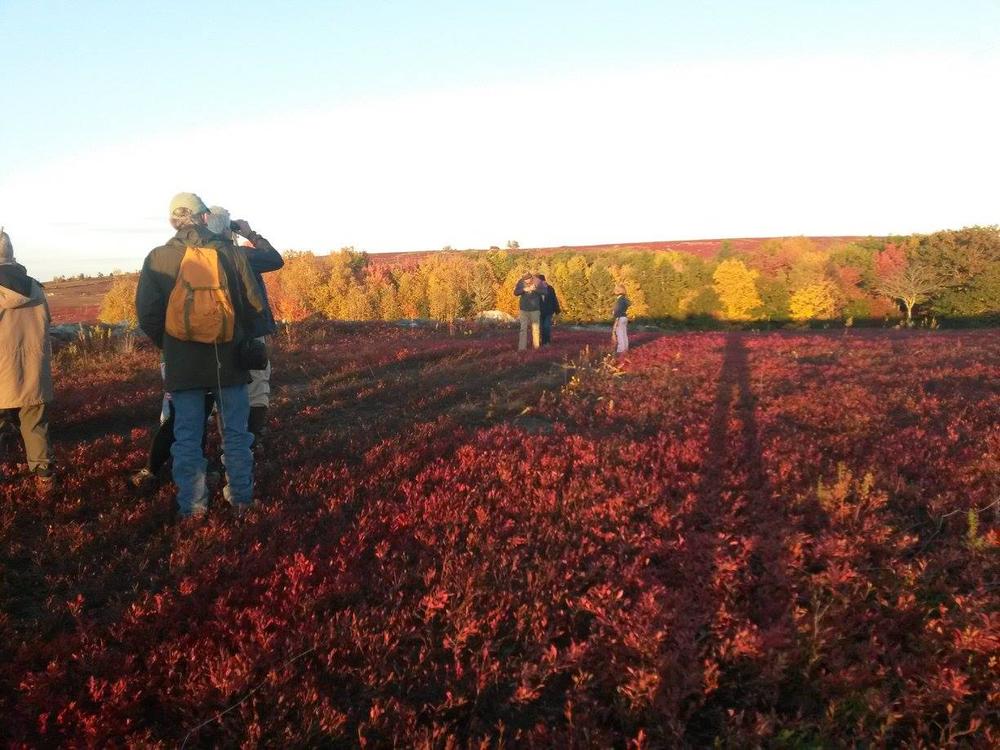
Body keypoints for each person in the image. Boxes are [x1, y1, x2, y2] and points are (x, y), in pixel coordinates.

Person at [135, 193, 264, 519]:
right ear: (204, 217)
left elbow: (147, 314)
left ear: (173, 221)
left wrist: (171, 343)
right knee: (236, 434)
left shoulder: (158, 258)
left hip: (183, 364)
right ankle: (242, 501)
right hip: (230, 361)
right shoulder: (231, 253)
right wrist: (238, 337)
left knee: (187, 437)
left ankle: (192, 509)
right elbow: (254, 306)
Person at [206, 206, 283, 447]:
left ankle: (229, 443)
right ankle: (252, 439)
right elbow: (274, 259)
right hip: (250, 332)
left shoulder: (197, 257)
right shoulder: (241, 255)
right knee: (257, 386)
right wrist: (250, 234)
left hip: (215, 333)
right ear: (227, 228)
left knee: (223, 388)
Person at [0, 228, 55, 495]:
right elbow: (46, 323)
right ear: (11, 254)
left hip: (2, 374)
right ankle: (45, 481)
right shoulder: (36, 288)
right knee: (35, 427)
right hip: (34, 370)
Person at [513, 272, 543, 350]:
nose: (526, 281)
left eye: (527, 279)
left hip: (535, 309)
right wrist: (523, 290)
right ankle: (522, 348)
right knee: (523, 329)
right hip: (524, 309)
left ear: (531, 277)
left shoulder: (537, 281)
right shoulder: (521, 282)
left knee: (536, 329)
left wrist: (535, 289)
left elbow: (544, 291)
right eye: (525, 280)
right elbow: (515, 292)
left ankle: (536, 347)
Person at [537, 274, 560, 345]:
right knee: (541, 328)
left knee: (546, 327)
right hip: (539, 312)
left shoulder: (550, 289)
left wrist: (557, 310)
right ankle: (542, 342)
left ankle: (547, 342)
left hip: (548, 311)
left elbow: (554, 299)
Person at [612, 283, 630, 354]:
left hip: (620, 318)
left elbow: (618, 311)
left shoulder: (619, 300)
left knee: (620, 334)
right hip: (624, 317)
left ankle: (621, 351)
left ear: (618, 291)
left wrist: (616, 322)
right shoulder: (625, 299)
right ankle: (625, 349)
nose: (614, 291)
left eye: (615, 290)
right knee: (624, 334)